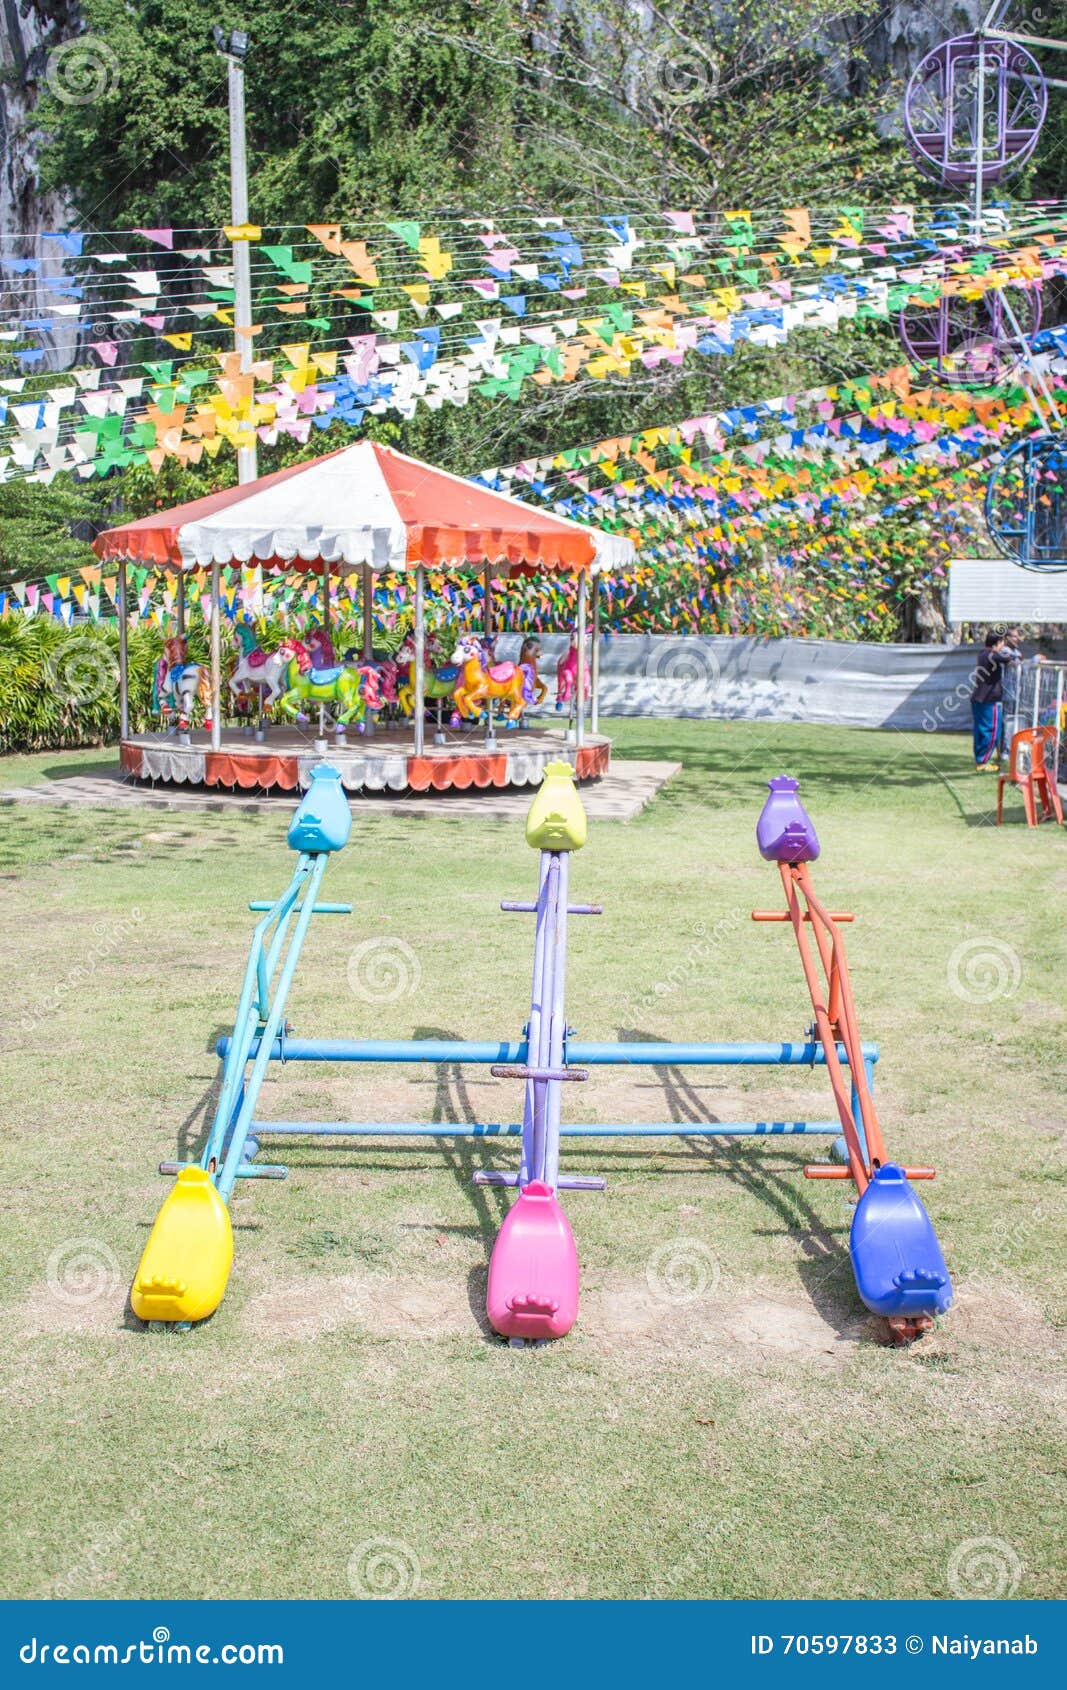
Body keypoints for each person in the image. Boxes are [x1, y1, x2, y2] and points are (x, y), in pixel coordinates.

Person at [970, 630, 1014, 773]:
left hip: (978, 699)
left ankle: (980, 760)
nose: (1004, 645)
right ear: (998, 643)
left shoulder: (982, 653)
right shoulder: (992, 655)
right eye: (1003, 642)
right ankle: (983, 762)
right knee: (992, 731)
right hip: (988, 700)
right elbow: (1007, 659)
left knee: (981, 731)